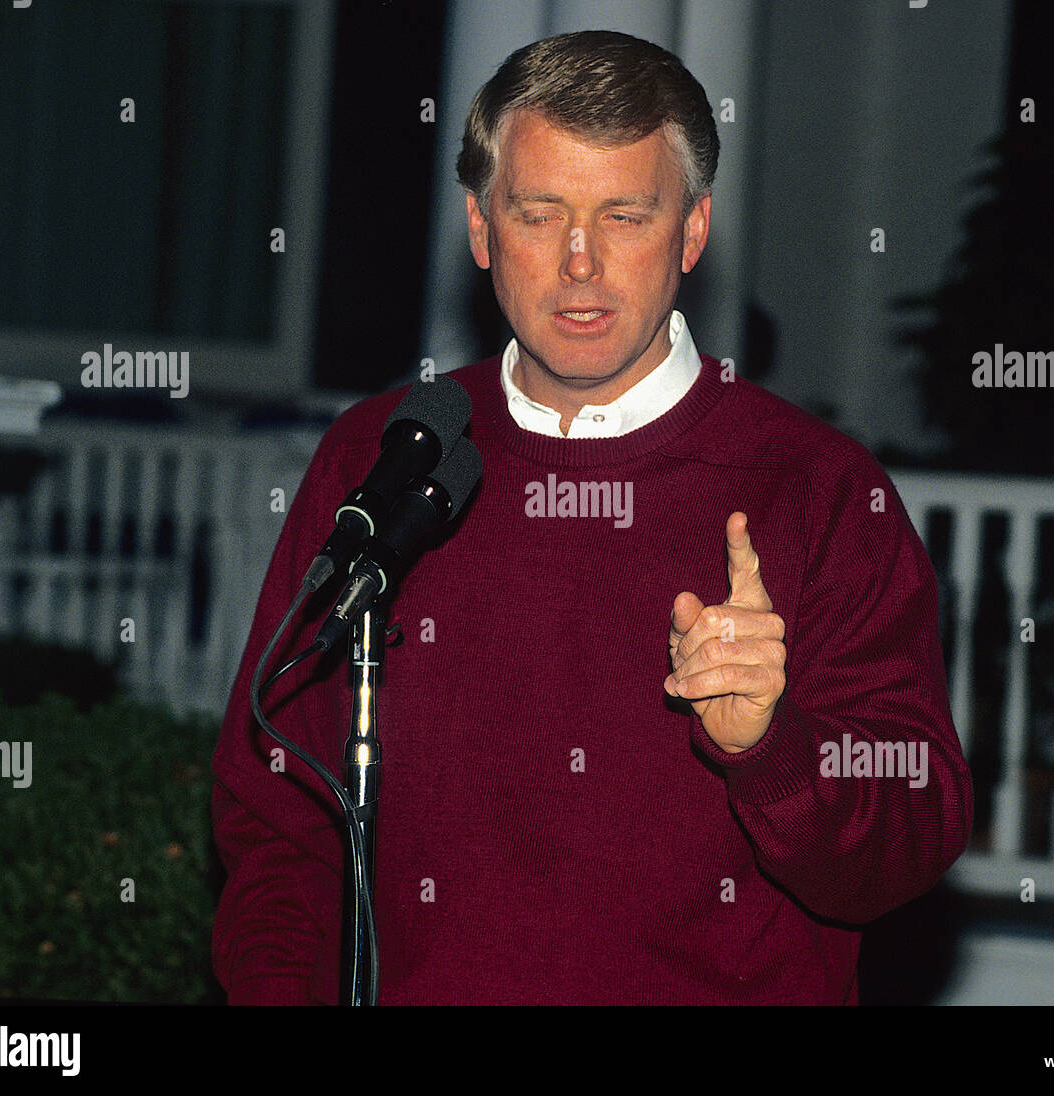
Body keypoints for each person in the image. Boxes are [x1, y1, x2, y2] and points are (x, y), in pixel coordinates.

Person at [211, 29, 973, 1005]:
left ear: (691, 232)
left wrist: (770, 747)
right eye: (539, 215)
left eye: (624, 216)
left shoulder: (817, 489)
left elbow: (910, 843)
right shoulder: (385, 458)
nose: (581, 263)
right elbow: (277, 819)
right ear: (481, 229)